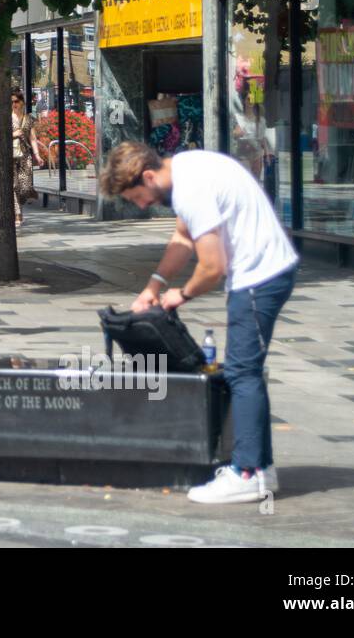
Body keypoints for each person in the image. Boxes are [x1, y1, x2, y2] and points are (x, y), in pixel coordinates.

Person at [100, 141, 299, 506]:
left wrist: (182, 295)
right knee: (247, 370)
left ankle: (247, 473)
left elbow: (212, 267)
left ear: (148, 175)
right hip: (264, 272)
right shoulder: (186, 166)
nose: (141, 205)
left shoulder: (191, 190)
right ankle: (262, 467)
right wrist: (153, 287)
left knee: (241, 371)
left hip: (259, 277)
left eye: (138, 196)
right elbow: (182, 238)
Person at [10, 93, 42, 227]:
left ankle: (30, 191)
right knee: (14, 186)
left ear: (22, 102)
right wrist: (13, 134)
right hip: (10, 156)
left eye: (16, 101)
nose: (14, 104)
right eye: (11, 102)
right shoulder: (7, 118)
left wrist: (37, 155)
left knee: (24, 187)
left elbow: (33, 138)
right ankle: (18, 214)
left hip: (24, 155)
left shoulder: (28, 119)